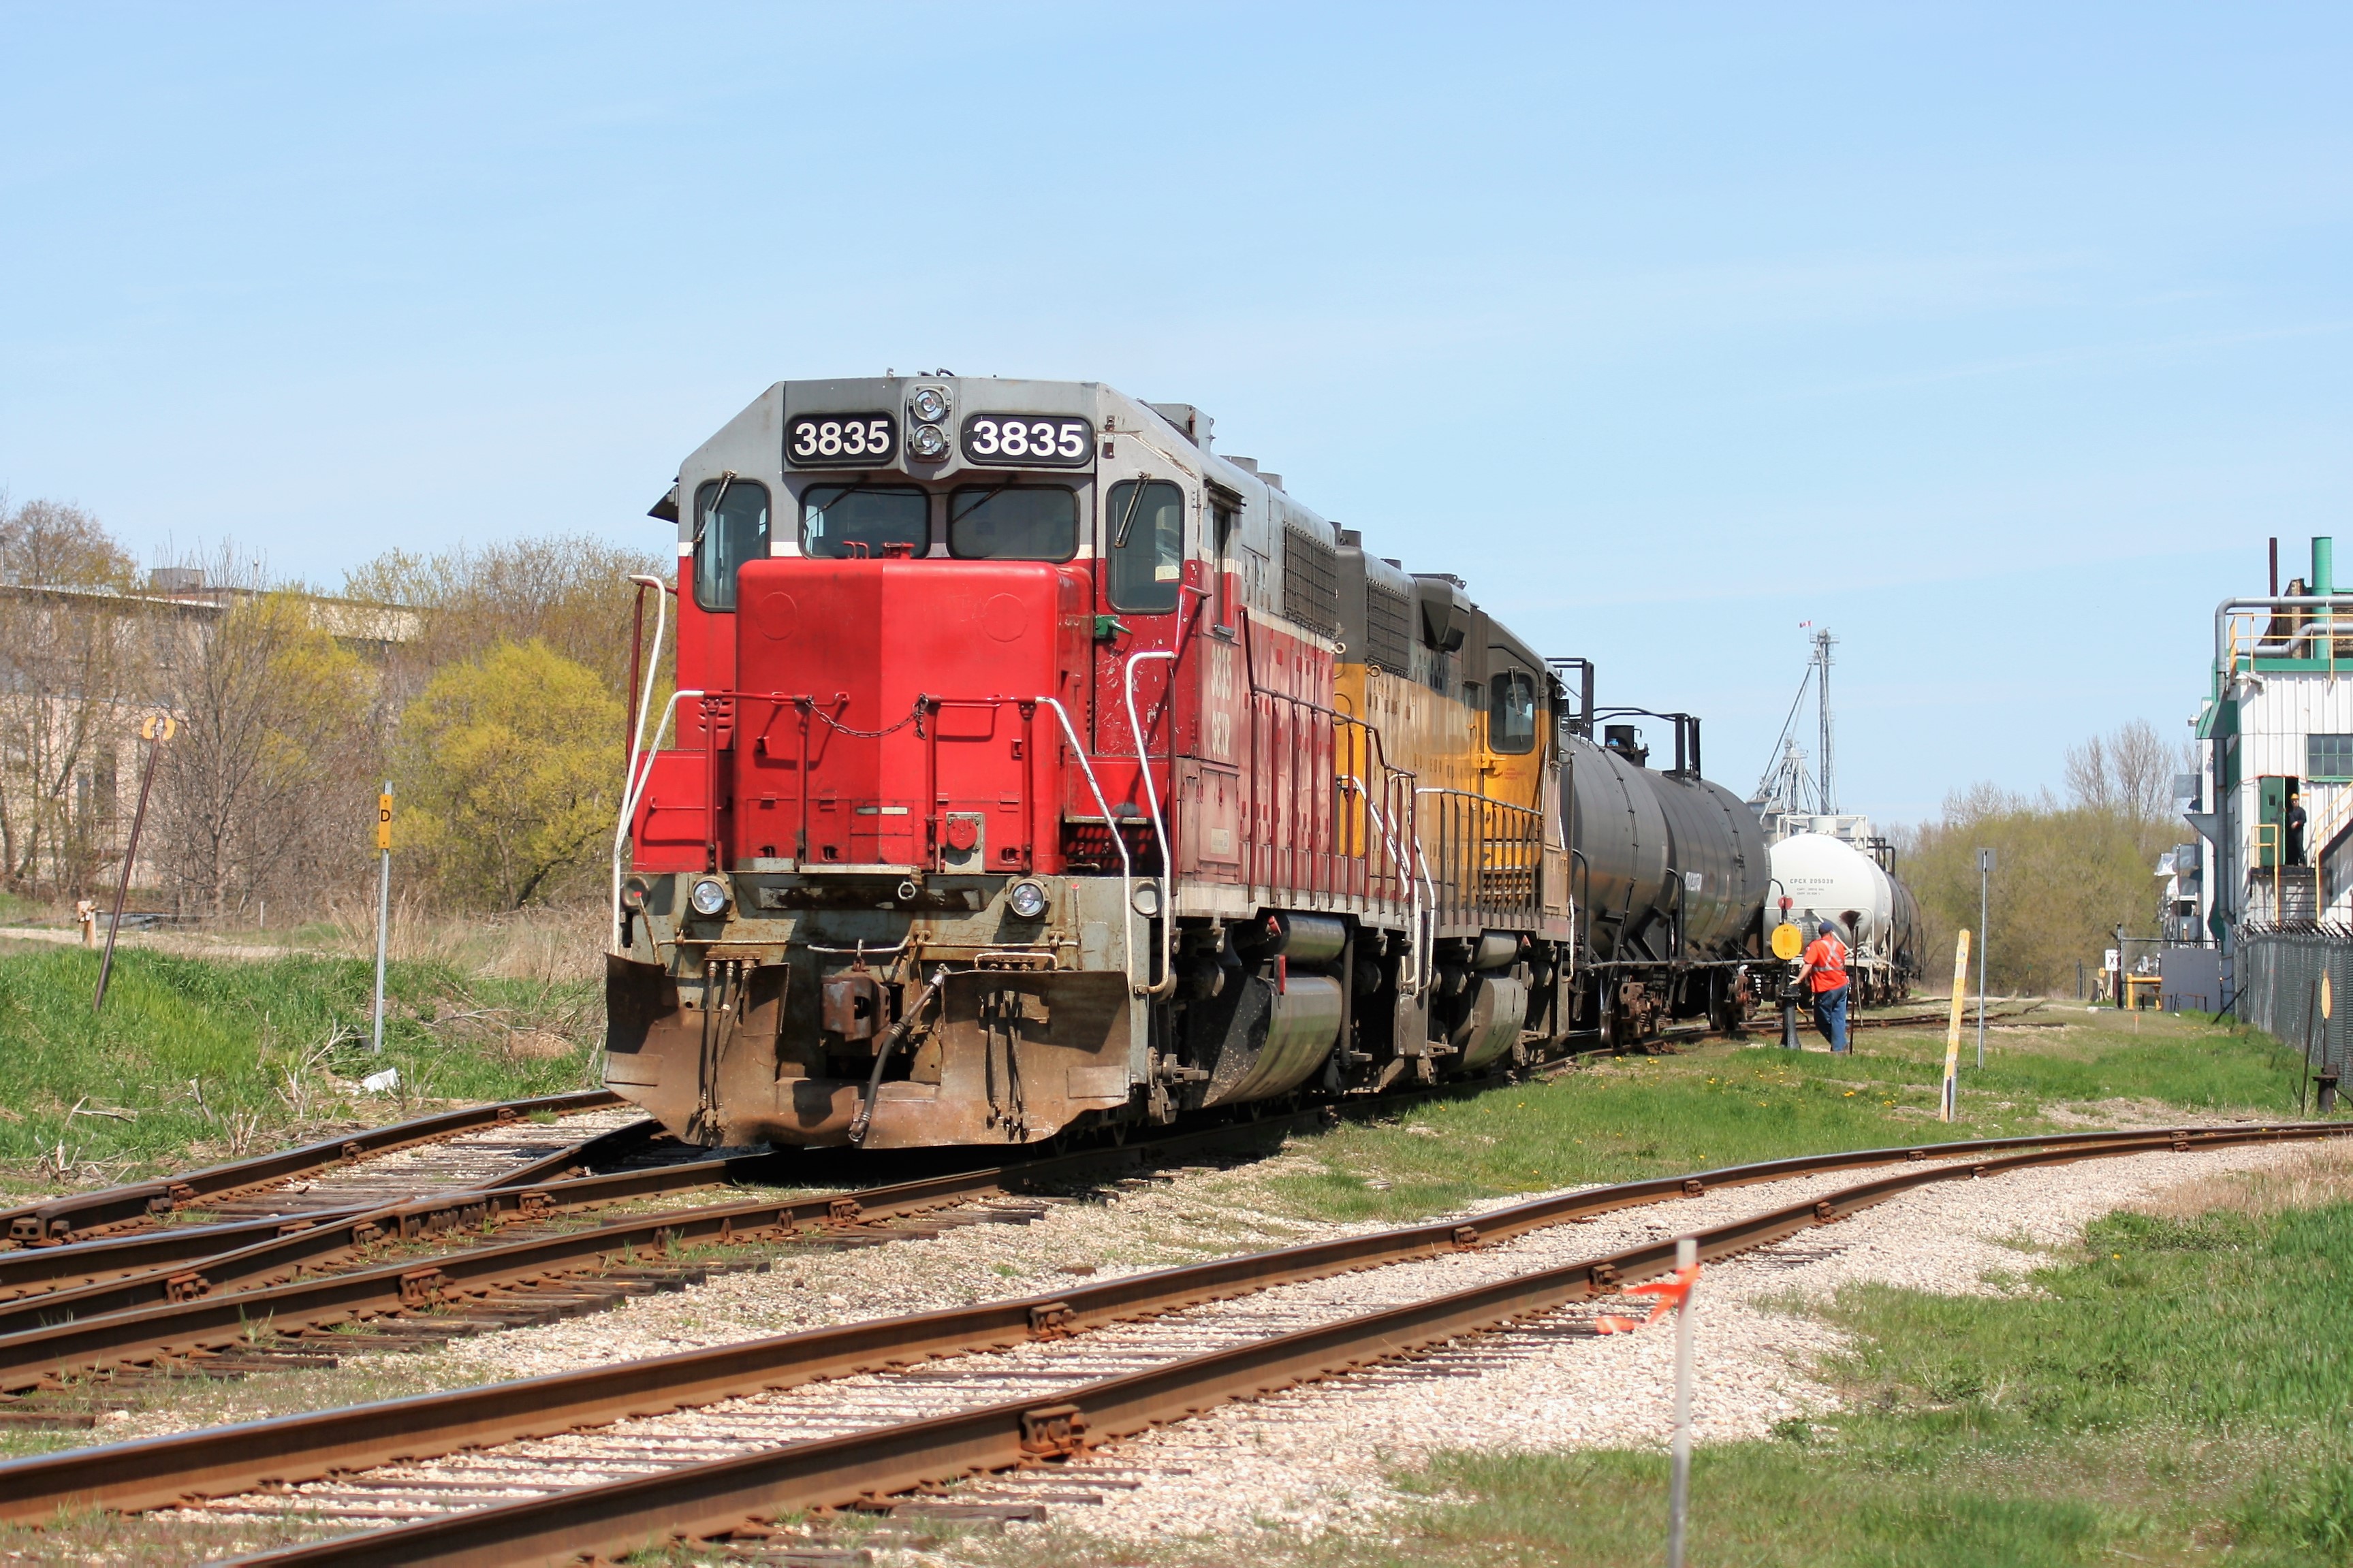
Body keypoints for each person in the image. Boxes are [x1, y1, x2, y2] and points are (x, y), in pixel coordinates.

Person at [1797, 919, 1851, 1053]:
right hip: (1842, 986)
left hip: (1826, 987)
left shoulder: (1816, 946)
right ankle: (1839, 1049)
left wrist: (1799, 979)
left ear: (1820, 933)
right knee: (1838, 1019)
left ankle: (1841, 1044)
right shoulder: (1839, 946)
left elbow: (1808, 964)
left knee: (1821, 1020)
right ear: (1831, 933)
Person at [2287, 786, 2308, 867]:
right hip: (2292, 832)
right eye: (2292, 801)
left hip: (2298, 831)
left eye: (2295, 801)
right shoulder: (2291, 811)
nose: (2294, 803)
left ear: (2298, 801)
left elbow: (2304, 820)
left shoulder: (2301, 811)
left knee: (2299, 846)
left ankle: (2302, 862)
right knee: (2292, 847)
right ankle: (2294, 863)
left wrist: (2297, 823)